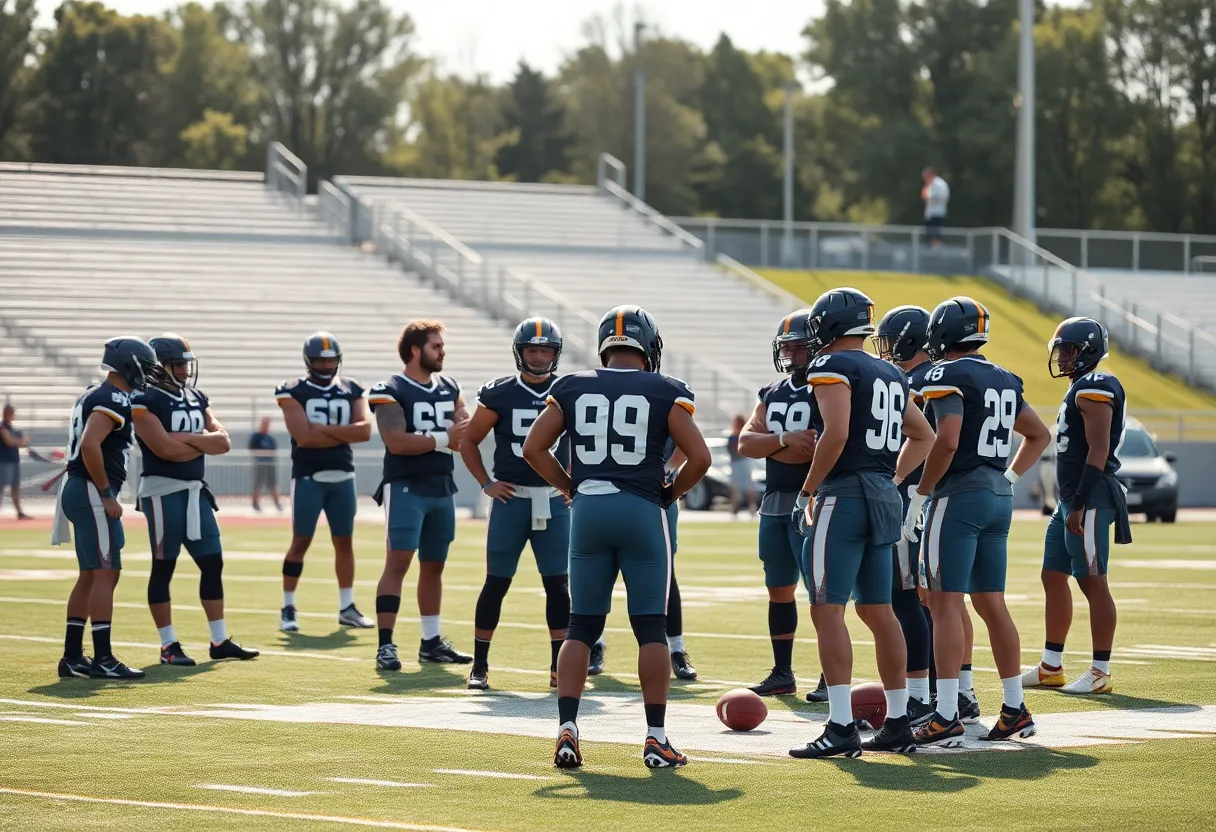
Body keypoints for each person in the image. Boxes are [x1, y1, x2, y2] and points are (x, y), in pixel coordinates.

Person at [523, 305, 711, 770]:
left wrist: (570, 486)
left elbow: (532, 447)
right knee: (650, 627)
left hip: (587, 511)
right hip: (641, 510)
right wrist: (670, 493)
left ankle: (567, 729)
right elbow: (701, 458)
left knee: (581, 626)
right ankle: (656, 737)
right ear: (648, 348)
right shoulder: (666, 390)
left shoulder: (570, 386)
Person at [788, 289, 935, 759]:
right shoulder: (891, 371)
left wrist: (809, 489)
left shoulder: (832, 365)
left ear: (828, 325)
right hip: (883, 496)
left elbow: (836, 433)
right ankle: (897, 722)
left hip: (846, 494)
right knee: (879, 610)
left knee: (827, 608)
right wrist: (890, 476)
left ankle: (840, 725)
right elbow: (924, 435)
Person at [905, 297, 1052, 747]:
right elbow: (1039, 434)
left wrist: (920, 492)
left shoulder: (945, 373)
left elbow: (946, 441)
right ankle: (1013, 708)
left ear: (943, 333)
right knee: (992, 604)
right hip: (997, 496)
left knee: (944, 603)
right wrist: (1008, 475)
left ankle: (946, 714)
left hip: (959, 496)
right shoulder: (1005, 377)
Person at [875, 306, 980, 726]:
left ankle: (923, 694)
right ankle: (961, 692)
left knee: (910, 599)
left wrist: (898, 479)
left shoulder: (916, 381)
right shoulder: (946, 376)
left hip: (915, 498)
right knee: (945, 601)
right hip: (944, 497)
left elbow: (923, 437)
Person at [460, 317, 571, 690]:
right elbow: (469, 440)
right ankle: (480, 665)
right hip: (512, 500)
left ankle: (559, 668)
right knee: (496, 583)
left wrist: (574, 483)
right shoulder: (499, 393)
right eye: (532, 350)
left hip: (556, 500)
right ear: (519, 352)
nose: (539, 357)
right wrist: (486, 483)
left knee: (558, 585)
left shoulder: (570, 390)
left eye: (545, 350)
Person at [132, 334, 258, 665]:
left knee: (212, 562)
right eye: (178, 364)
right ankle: (168, 644)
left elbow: (224, 441)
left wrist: (186, 437)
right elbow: (165, 450)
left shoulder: (197, 396)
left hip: (194, 490)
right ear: (158, 367)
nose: (186, 371)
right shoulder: (144, 399)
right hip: (161, 491)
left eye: (187, 364)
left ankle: (219, 641)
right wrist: (201, 441)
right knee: (164, 566)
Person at [1023, 317, 1130, 695]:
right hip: (1071, 499)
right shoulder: (1080, 387)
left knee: (1092, 581)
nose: (1062, 357)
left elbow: (1099, 449)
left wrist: (1081, 502)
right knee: (1053, 575)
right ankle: (1051, 666)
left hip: (1091, 497)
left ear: (1085, 351)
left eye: (1068, 350)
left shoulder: (1095, 387)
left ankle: (1100, 671)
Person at [52, 337, 159, 679]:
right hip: (91, 490)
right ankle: (103, 658)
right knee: (105, 571)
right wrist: (106, 493)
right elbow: (89, 445)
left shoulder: (94, 392)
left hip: (80, 489)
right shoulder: (111, 397)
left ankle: (72, 656)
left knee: (92, 573)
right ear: (131, 364)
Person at [368, 321, 472, 670]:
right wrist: (443, 438)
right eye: (436, 346)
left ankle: (431, 641)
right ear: (415, 350)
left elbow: (465, 433)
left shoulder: (450, 386)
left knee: (434, 567)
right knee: (398, 562)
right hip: (406, 486)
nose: (443, 352)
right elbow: (397, 441)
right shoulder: (390, 388)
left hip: (441, 486)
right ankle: (386, 645)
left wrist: (433, 438)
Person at [738, 309, 823, 700]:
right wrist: (787, 440)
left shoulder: (828, 387)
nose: (791, 354)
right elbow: (745, 444)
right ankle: (783, 672)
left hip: (814, 498)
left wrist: (775, 445)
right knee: (778, 589)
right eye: (786, 347)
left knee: (821, 592)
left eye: (799, 346)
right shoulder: (771, 392)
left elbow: (818, 450)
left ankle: (829, 674)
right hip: (774, 502)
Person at [275, 332, 374, 633]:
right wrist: (342, 431)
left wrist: (323, 429)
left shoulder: (352, 388)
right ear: (309, 361)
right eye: (320, 359)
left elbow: (365, 432)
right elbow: (304, 438)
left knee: (344, 542)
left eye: (331, 359)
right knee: (301, 541)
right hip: (308, 476)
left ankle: (347, 606)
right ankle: (288, 606)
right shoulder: (291, 390)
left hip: (343, 475)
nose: (326, 364)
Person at [0, 403, 32, 519]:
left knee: (15, 486)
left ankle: (19, 512)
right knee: (1, 487)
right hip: (3, 461)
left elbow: (24, 440)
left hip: (13, 460)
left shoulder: (12, 429)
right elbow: (9, 441)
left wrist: (19, 441)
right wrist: (19, 441)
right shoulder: (2, 427)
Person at [248, 416, 282, 512]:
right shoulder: (256, 436)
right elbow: (252, 448)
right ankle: (255, 503)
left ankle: (277, 503)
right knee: (258, 483)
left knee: (273, 484)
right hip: (260, 464)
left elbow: (274, 451)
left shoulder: (270, 438)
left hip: (270, 464)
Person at [726, 415, 756, 516]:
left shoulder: (742, 436)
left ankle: (749, 507)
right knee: (738, 487)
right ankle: (736, 508)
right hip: (738, 463)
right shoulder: (734, 436)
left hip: (741, 463)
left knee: (744, 486)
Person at [921, 167, 950, 248]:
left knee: (935, 236)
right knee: (933, 235)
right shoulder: (939, 183)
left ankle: (937, 251)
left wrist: (926, 186)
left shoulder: (936, 184)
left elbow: (926, 196)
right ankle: (936, 249)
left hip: (935, 214)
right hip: (936, 213)